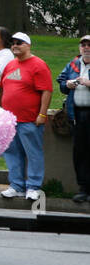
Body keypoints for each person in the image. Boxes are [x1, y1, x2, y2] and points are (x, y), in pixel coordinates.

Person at [0, 32, 53, 201]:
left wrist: (42, 114)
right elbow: (2, 89)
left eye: (19, 43)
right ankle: (16, 186)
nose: (15, 45)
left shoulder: (39, 65)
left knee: (33, 153)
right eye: (13, 43)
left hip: (29, 119)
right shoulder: (10, 65)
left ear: (28, 45)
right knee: (12, 153)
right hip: (10, 120)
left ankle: (34, 186)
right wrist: (1, 112)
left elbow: (46, 91)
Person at [56, 35, 90, 203]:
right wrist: (67, 84)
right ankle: (83, 188)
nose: (86, 48)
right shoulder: (73, 63)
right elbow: (61, 82)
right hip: (77, 114)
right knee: (80, 152)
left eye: (89, 45)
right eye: (83, 45)